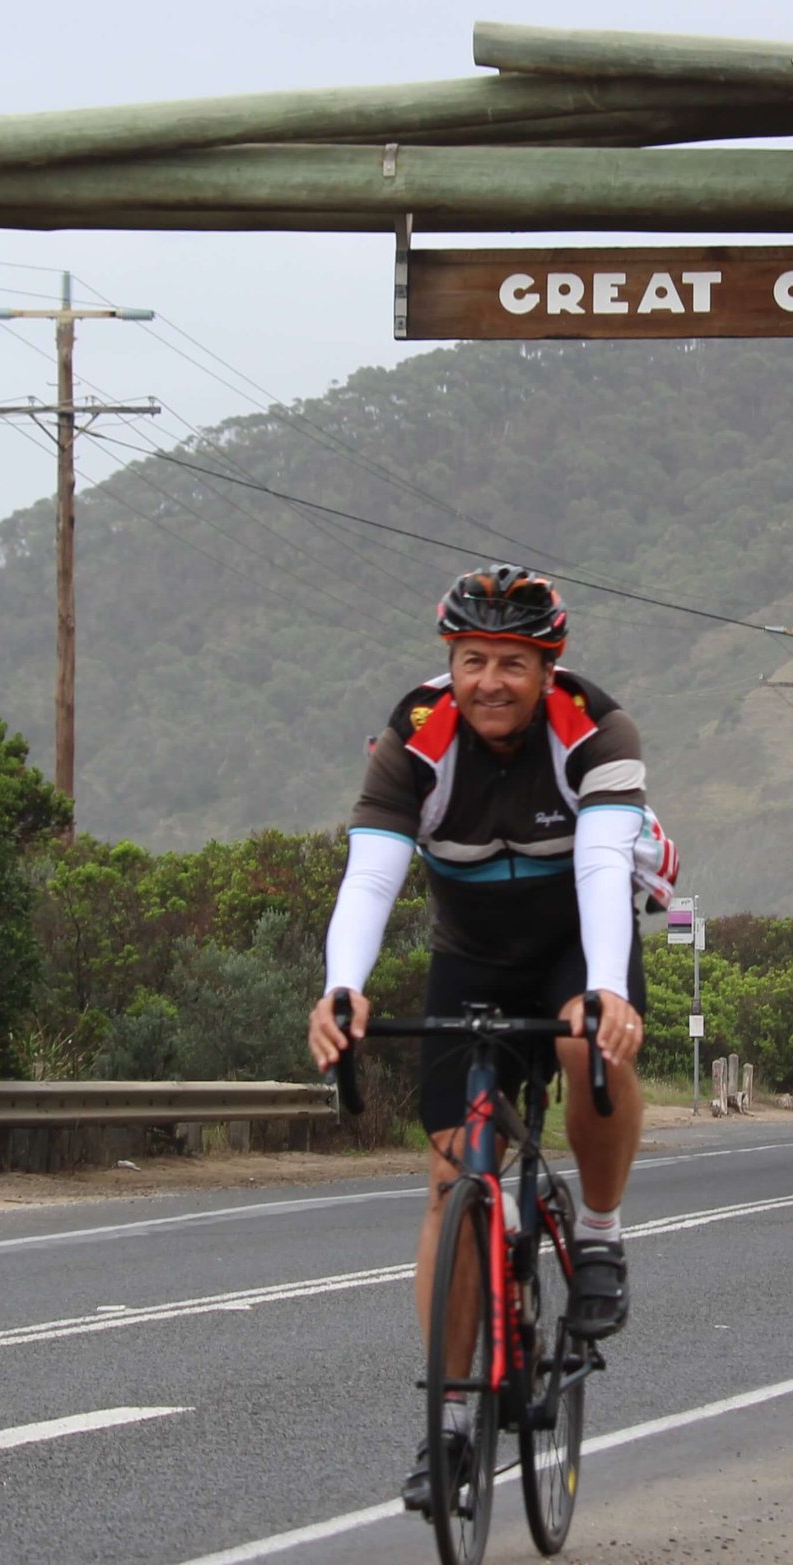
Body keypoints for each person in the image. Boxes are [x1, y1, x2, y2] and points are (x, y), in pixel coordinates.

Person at [306, 564, 667, 1509]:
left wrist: (601, 989)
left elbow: (600, 867)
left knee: (591, 1042)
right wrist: (342, 986)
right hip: (470, 954)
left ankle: (598, 1233)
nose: (490, 682)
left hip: (571, 945)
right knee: (447, 1180)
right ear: (449, 663)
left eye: (513, 662)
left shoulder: (596, 730)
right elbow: (371, 877)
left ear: (549, 667)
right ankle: (453, 1419)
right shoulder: (413, 738)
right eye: (472, 661)